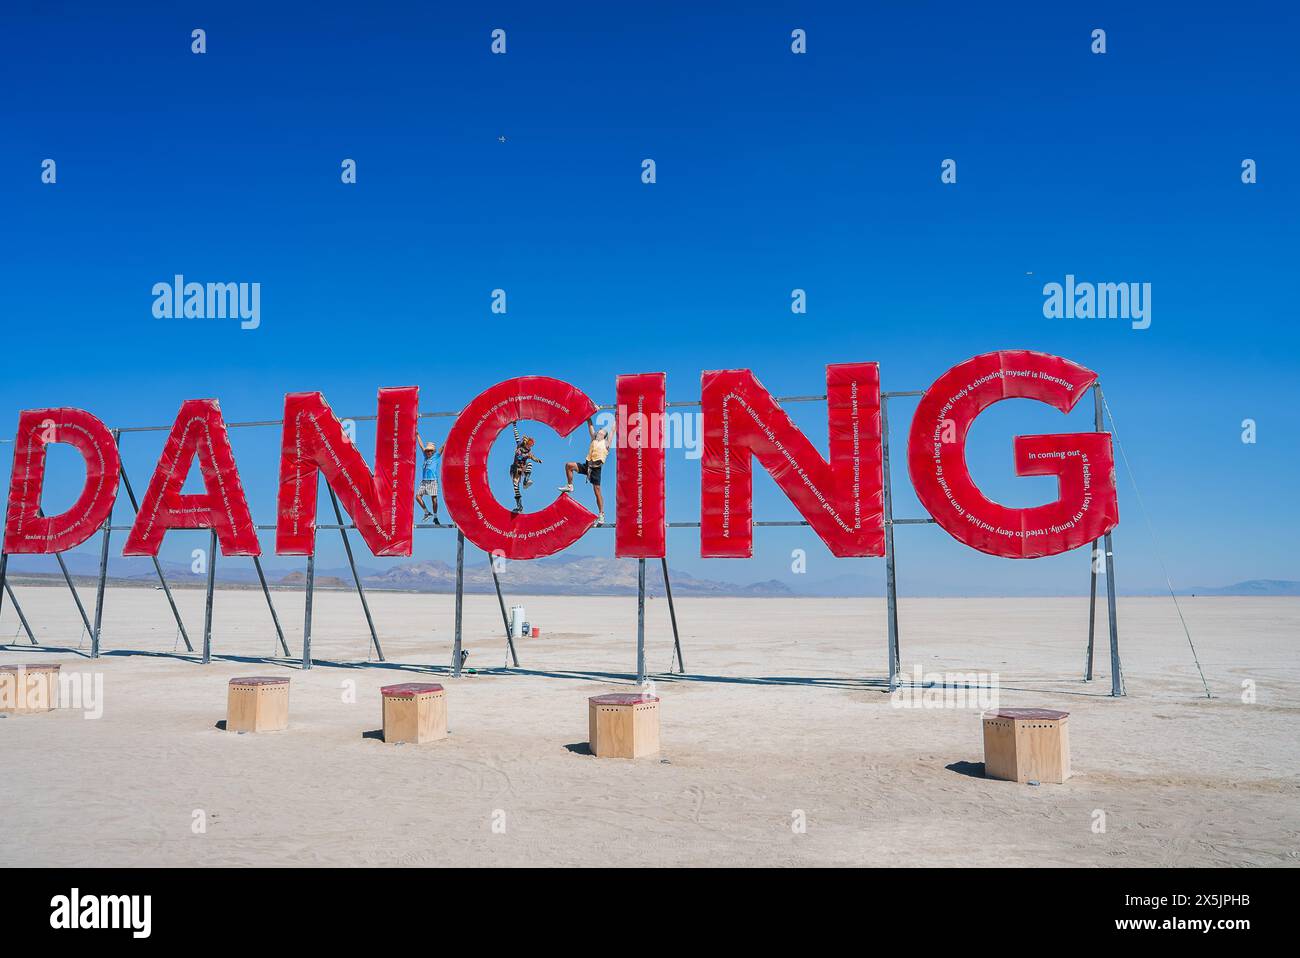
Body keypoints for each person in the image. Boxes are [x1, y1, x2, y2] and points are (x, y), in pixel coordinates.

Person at [558, 418, 609, 524]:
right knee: (569, 465)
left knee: (597, 491)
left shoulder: (606, 444)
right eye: (598, 431)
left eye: (601, 432)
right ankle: (570, 486)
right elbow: (590, 424)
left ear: (604, 436)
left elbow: (613, 430)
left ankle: (601, 514)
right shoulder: (593, 439)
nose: (599, 432)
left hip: (596, 469)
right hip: (587, 466)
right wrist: (587, 415)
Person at [509, 423, 543, 514]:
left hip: (522, 467)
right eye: (530, 445)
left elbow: (532, 457)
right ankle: (519, 507)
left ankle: (525, 482)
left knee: (530, 464)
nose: (530, 447)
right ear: (526, 443)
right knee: (516, 487)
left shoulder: (528, 451)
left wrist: (538, 460)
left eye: (531, 446)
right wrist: (514, 426)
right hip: (516, 468)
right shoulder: (520, 447)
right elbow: (516, 436)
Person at [416, 433, 443, 524]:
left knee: (434, 499)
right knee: (418, 496)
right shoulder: (425, 456)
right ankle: (427, 512)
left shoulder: (436, 456)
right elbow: (421, 445)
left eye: (429, 451)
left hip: (432, 480)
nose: (427, 452)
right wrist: (417, 435)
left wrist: (453, 432)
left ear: (433, 452)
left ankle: (435, 516)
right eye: (427, 451)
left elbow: (443, 447)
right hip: (424, 481)